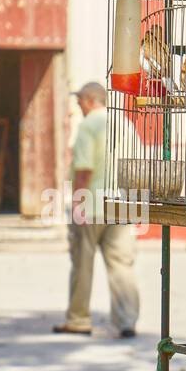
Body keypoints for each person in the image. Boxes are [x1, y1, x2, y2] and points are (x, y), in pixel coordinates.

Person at [54, 81, 140, 338]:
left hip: (92, 204)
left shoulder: (88, 125)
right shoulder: (125, 123)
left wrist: (77, 205)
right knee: (122, 264)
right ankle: (127, 321)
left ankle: (79, 320)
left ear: (91, 100)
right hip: (123, 203)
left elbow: (84, 169)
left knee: (82, 262)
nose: (78, 105)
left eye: (80, 100)